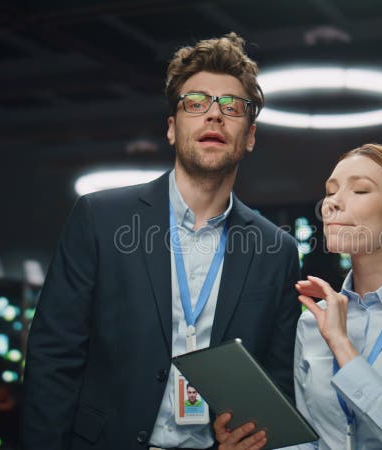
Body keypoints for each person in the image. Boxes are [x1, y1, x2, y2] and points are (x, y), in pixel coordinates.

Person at [22, 33, 301, 450]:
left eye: (232, 106)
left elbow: (276, 383)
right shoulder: (100, 219)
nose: (214, 115)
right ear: (172, 128)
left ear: (250, 136)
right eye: (196, 103)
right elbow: (52, 361)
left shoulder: (276, 250)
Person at [214, 143, 382, 450]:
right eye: (331, 191)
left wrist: (340, 343)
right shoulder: (313, 321)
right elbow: (312, 442)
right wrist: (258, 443)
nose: (331, 204)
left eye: (359, 191)